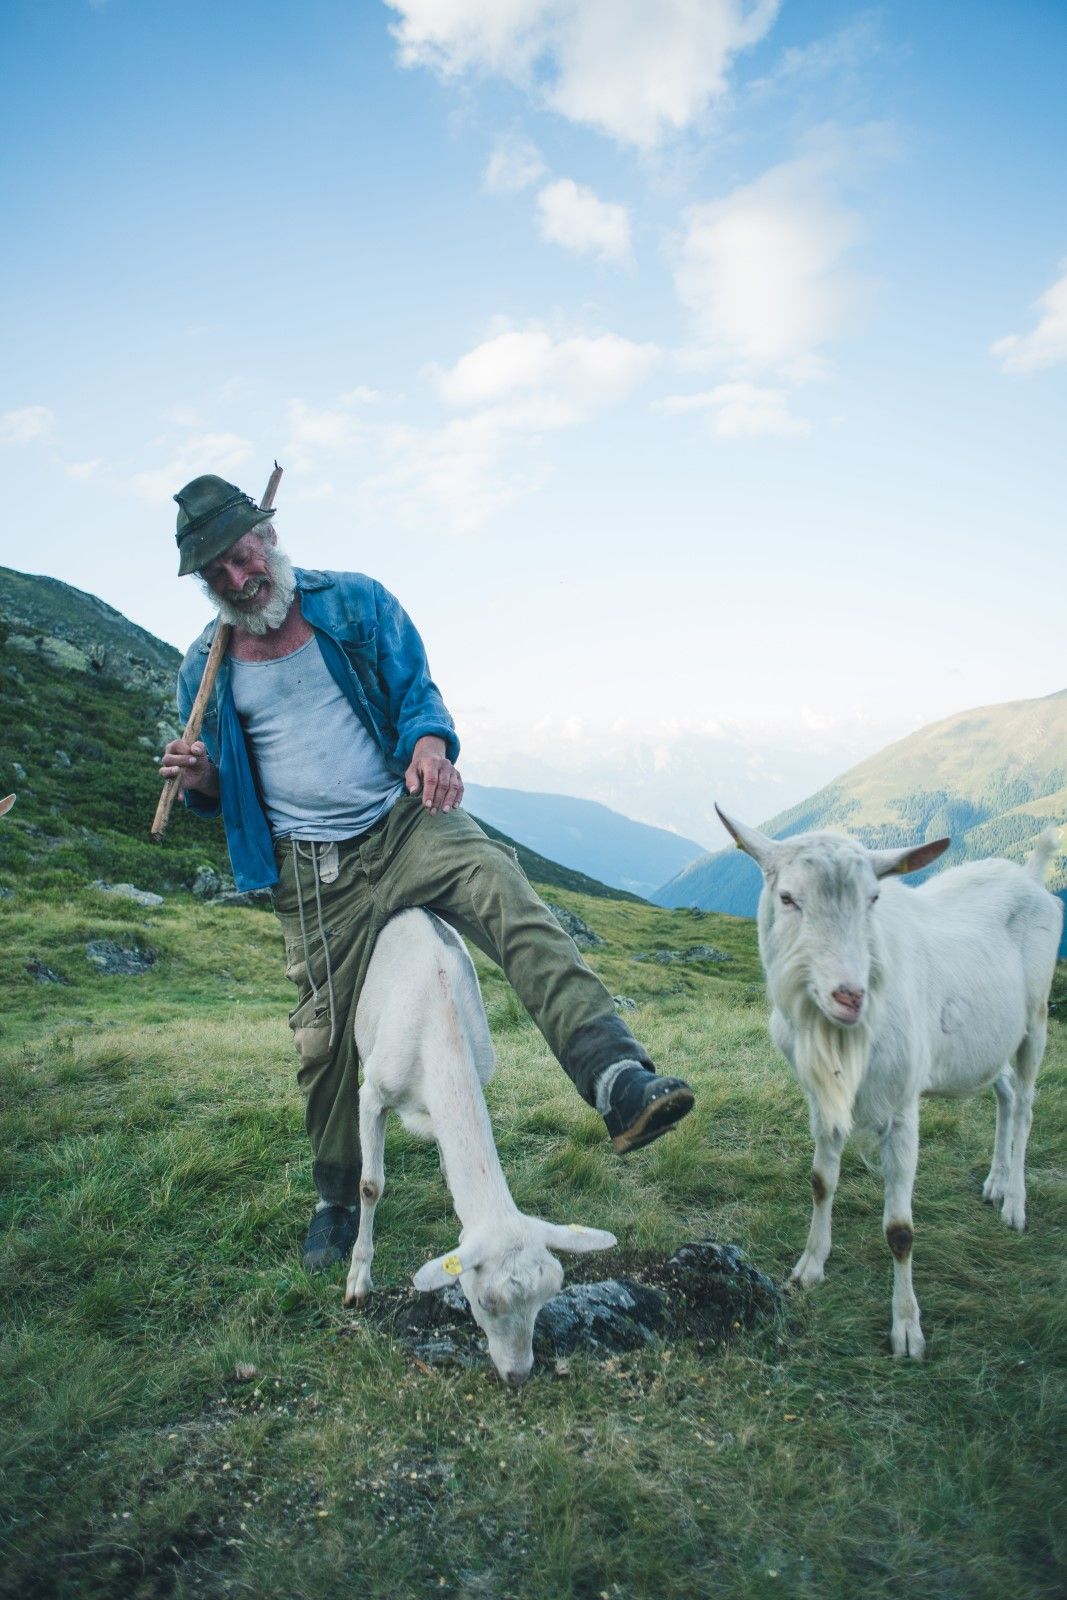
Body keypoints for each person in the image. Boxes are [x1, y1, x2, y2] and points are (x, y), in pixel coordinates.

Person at [161, 474, 695, 1272]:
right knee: (322, 1039)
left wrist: (430, 750)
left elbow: (419, 698)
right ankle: (338, 1197)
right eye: (218, 577)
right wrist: (202, 778)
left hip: (403, 821)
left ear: (267, 538)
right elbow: (226, 789)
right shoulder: (205, 668)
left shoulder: (356, 604)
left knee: (503, 890)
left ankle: (615, 1076)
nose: (240, 583)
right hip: (312, 873)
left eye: (243, 558)